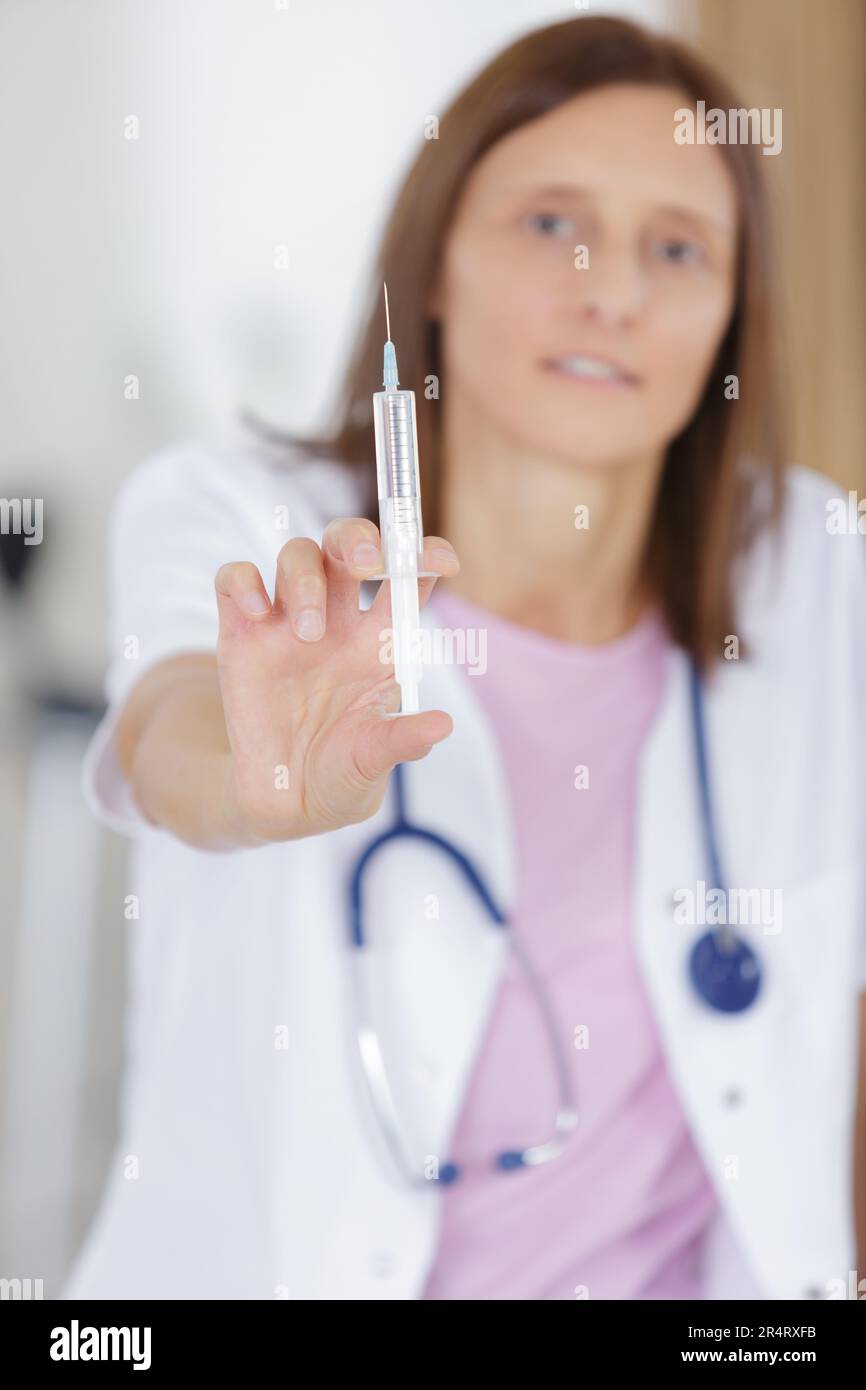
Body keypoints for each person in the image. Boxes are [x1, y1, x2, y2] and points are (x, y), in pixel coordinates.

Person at [65, 15, 866, 1301]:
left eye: (677, 246)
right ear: (433, 261)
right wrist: (258, 781)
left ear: (730, 310)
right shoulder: (240, 511)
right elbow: (169, 734)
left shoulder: (821, 572)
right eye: (550, 222)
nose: (611, 287)